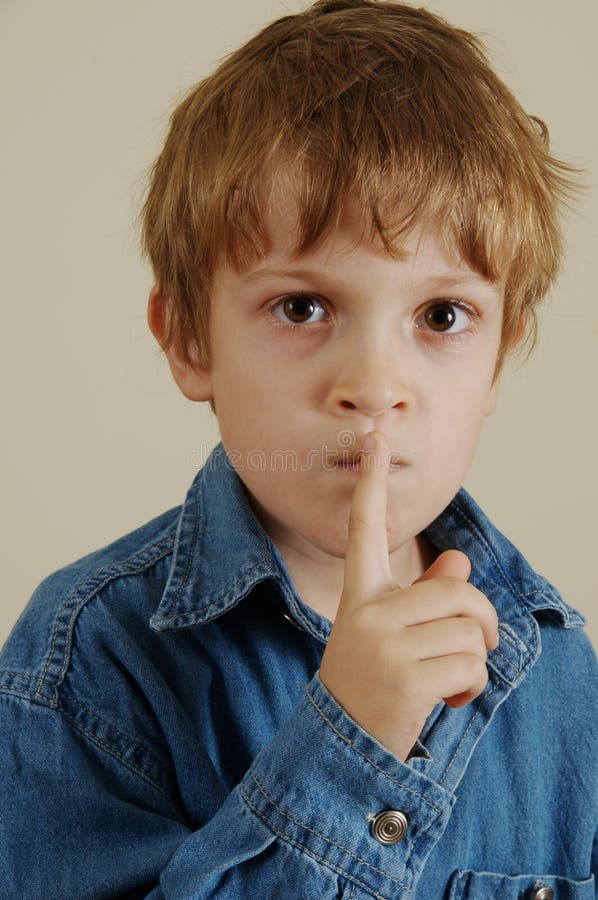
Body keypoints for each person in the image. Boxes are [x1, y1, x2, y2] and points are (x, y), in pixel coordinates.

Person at [1, 0, 596, 896]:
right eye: (302, 308)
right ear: (192, 341)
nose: (374, 383)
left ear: (501, 359)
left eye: (442, 316)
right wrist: (349, 739)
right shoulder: (89, 655)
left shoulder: (559, 669)